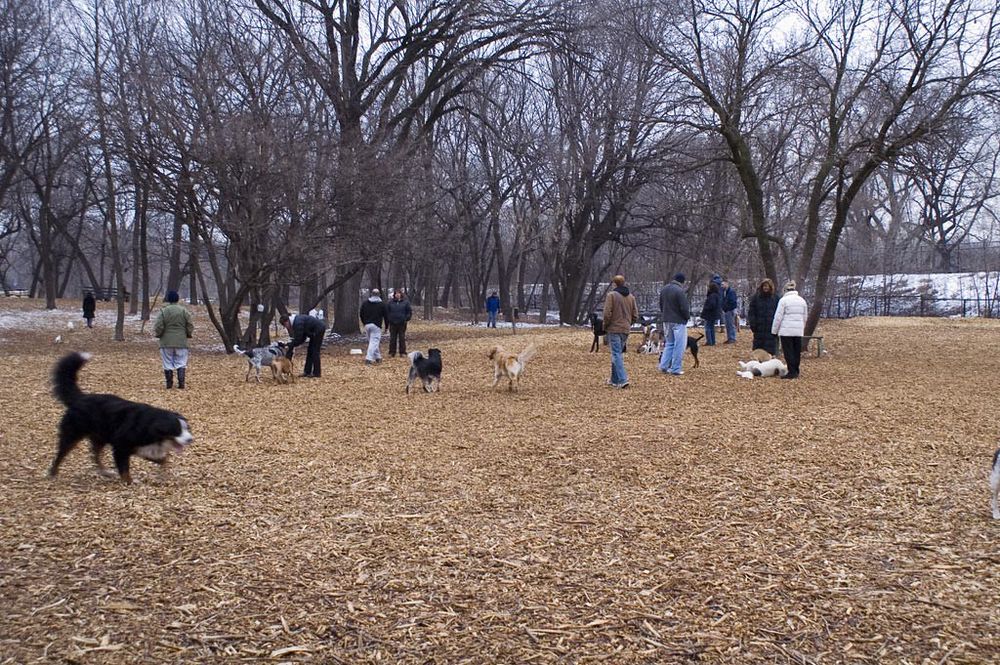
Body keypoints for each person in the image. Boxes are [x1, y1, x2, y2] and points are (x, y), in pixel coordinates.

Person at [602, 274, 639, 388]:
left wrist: (605, 325)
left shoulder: (611, 295)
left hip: (614, 328)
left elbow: (607, 313)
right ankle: (614, 379)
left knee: (616, 354)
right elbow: (635, 315)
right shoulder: (631, 297)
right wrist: (629, 323)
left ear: (614, 284)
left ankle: (622, 379)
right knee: (617, 353)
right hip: (625, 329)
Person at [154, 290, 193, 389]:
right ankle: (181, 383)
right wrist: (188, 334)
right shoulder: (184, 311)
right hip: (181, 341)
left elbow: (158, 325)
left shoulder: (164, 311)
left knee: (167, 362)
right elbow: (190, 325)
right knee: (181, 362)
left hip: (166, 341)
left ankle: (169, 384)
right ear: (177, 299)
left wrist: (159, 334)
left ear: (168, 299)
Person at [772, 280, 809, 379]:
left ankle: (791, 371)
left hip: (786, 330)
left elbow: (778, 317)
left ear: (785, 290)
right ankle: (796, 370)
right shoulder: (802, 300)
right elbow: (805, 317)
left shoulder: (783, 300)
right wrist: (802, 328)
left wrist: (774, 331)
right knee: (796, 351)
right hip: (798, 330)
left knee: (788, 351)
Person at [657, 273, 690, 375]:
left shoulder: (664, 289)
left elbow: (661, 304)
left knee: (669, 344)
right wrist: (687, 317)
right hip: (678, 321)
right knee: (679, 345)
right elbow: (684, 307)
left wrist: (665, 315)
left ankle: (663, 366)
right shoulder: (679, 291)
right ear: (682, 281)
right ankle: (676, 368)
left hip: (666, 320)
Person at [280, 312, 327, 378]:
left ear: (287, 321)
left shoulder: (297, 323)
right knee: (310, 351)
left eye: (285, 325)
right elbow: (302, 338)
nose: (286, 327)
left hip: (319, 330)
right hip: (314, 332)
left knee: (315, 351)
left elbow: (299, 339)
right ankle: (307, 372)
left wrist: (290, 344)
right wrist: (291, 344)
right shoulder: (296, 321)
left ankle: (317, 373)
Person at [747, 278, 779, 355]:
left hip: (771, 328)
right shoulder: (756, 298)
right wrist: (753, 324)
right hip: (759, 327)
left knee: (770, 350)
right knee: (758, 349)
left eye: (767, 286)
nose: (766, 288)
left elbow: (778, 313)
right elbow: (751, 312)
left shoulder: (775, 298)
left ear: (770, 287)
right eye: (764, 286)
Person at [359, 288, 388, 365]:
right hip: (376, 326)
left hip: (367, 325)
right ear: (379, 295)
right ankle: (368, 359)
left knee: (372, 343)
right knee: (374, 343)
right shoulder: (382, 304)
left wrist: (364, 323)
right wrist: (386, 327)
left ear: (371, 294)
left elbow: (361, 314)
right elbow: (386, 316)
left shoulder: (365, 303)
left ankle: (378, 358)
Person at [385, 289, 412, 357]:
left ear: (401, 294)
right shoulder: (390, 302)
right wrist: (389, 319)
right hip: (393, 323)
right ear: (394, 295)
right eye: (396, 293)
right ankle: (392, 352)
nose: (397, 294)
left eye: (399, 293)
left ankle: (402, 352)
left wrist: (406, 319)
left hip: (402, 323)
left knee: (402, 338)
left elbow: (409, 312)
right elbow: (387, 312)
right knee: (392, 338)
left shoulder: (405, 302)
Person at [700, 282, 722, 346]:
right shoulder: (716, 295)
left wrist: (706, 307)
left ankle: (709, 341)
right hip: (713, 314)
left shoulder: (712, 296)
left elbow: (712, 305)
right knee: (711, 328)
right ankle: (713, 341)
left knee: (708, 328)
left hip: (710, 314)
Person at [721, 279, 738, 344]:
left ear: (727, 284)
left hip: (730, 310)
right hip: (727, 310)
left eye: (723, 284)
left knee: (730, 324)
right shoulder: (725, 292)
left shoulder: (731, 292)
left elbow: (732, 302)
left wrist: (727, 308)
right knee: (728, 325)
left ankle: (732, 338)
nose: (722, 286)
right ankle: (730, 338)